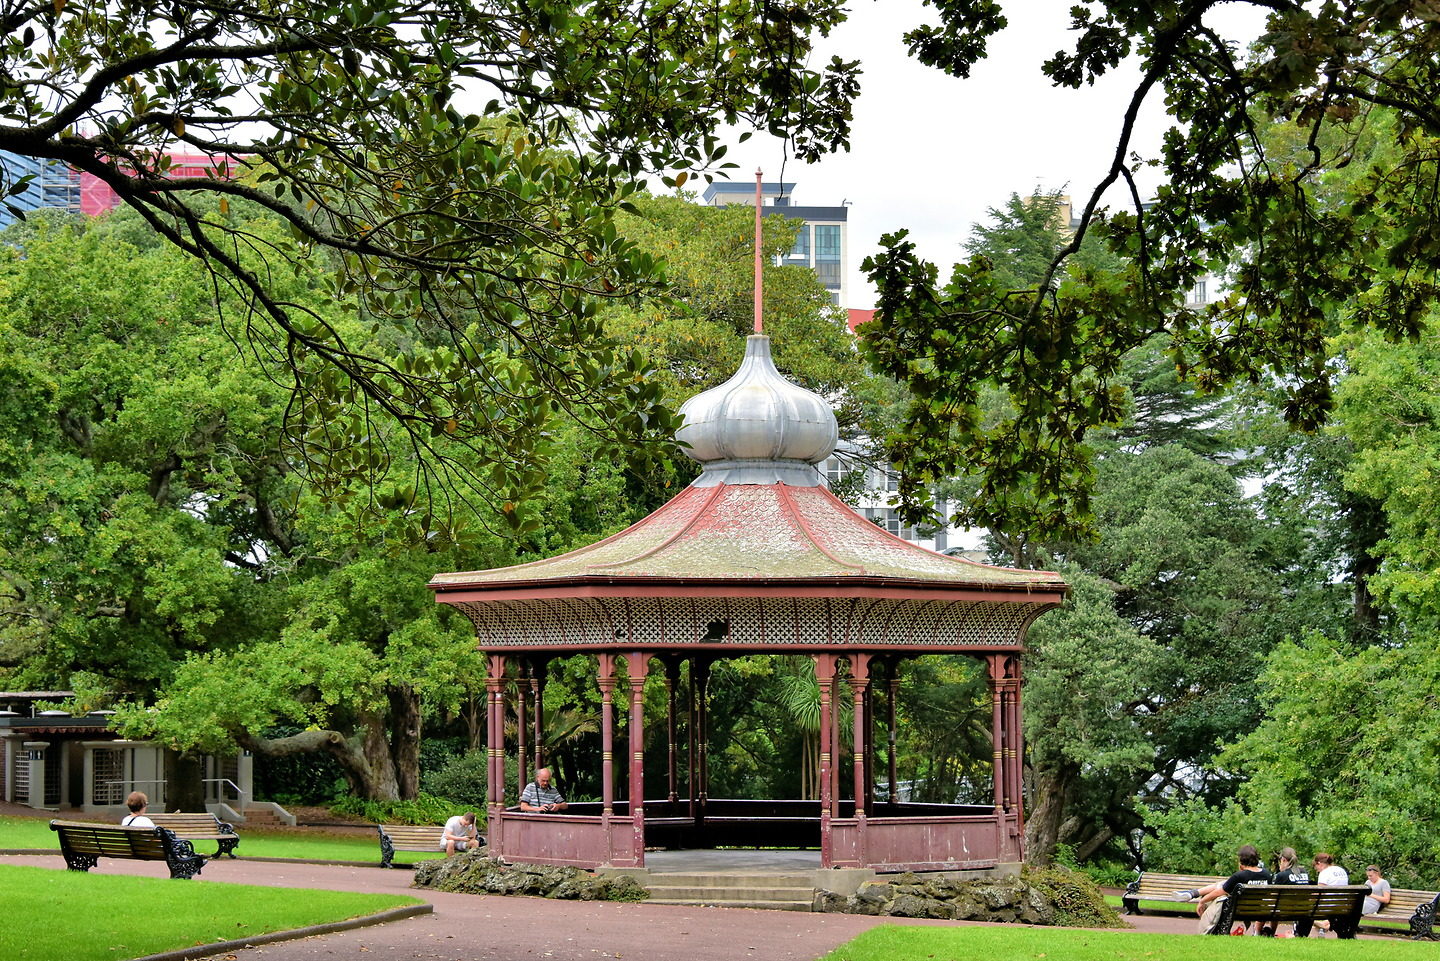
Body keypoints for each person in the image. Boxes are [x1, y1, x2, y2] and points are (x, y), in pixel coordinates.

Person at [1172, 844, 1270, 934]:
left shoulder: (1239, 876)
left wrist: (1202, 901)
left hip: (1237, 909)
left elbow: (1221, 891)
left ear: (1241, 860)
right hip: (1259, 909)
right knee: (1223, 885)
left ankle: (1193, 893)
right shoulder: (1267, 874)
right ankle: (1192, 893)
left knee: (1220, 887)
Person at [1262, 847, 1312, 937]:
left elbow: (1273, 895)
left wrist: (1281, 870)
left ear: (1283, 860)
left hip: (1285, 910)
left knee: (1271, 906)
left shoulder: (1282, 875)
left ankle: (1260, 932)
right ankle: (1300, 934)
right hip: (1305, 909)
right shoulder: (1304, 872)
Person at [1309, 852, 1350, 936]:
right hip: (1343, 905)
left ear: (1319, 863)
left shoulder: (1324, 873)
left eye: (1315, 866)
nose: (1316, 869)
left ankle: (1301, 933)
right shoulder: (1341, 870)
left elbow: (1319, 893)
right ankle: (1325, 925)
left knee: (1305, 909)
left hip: (1329, 906)